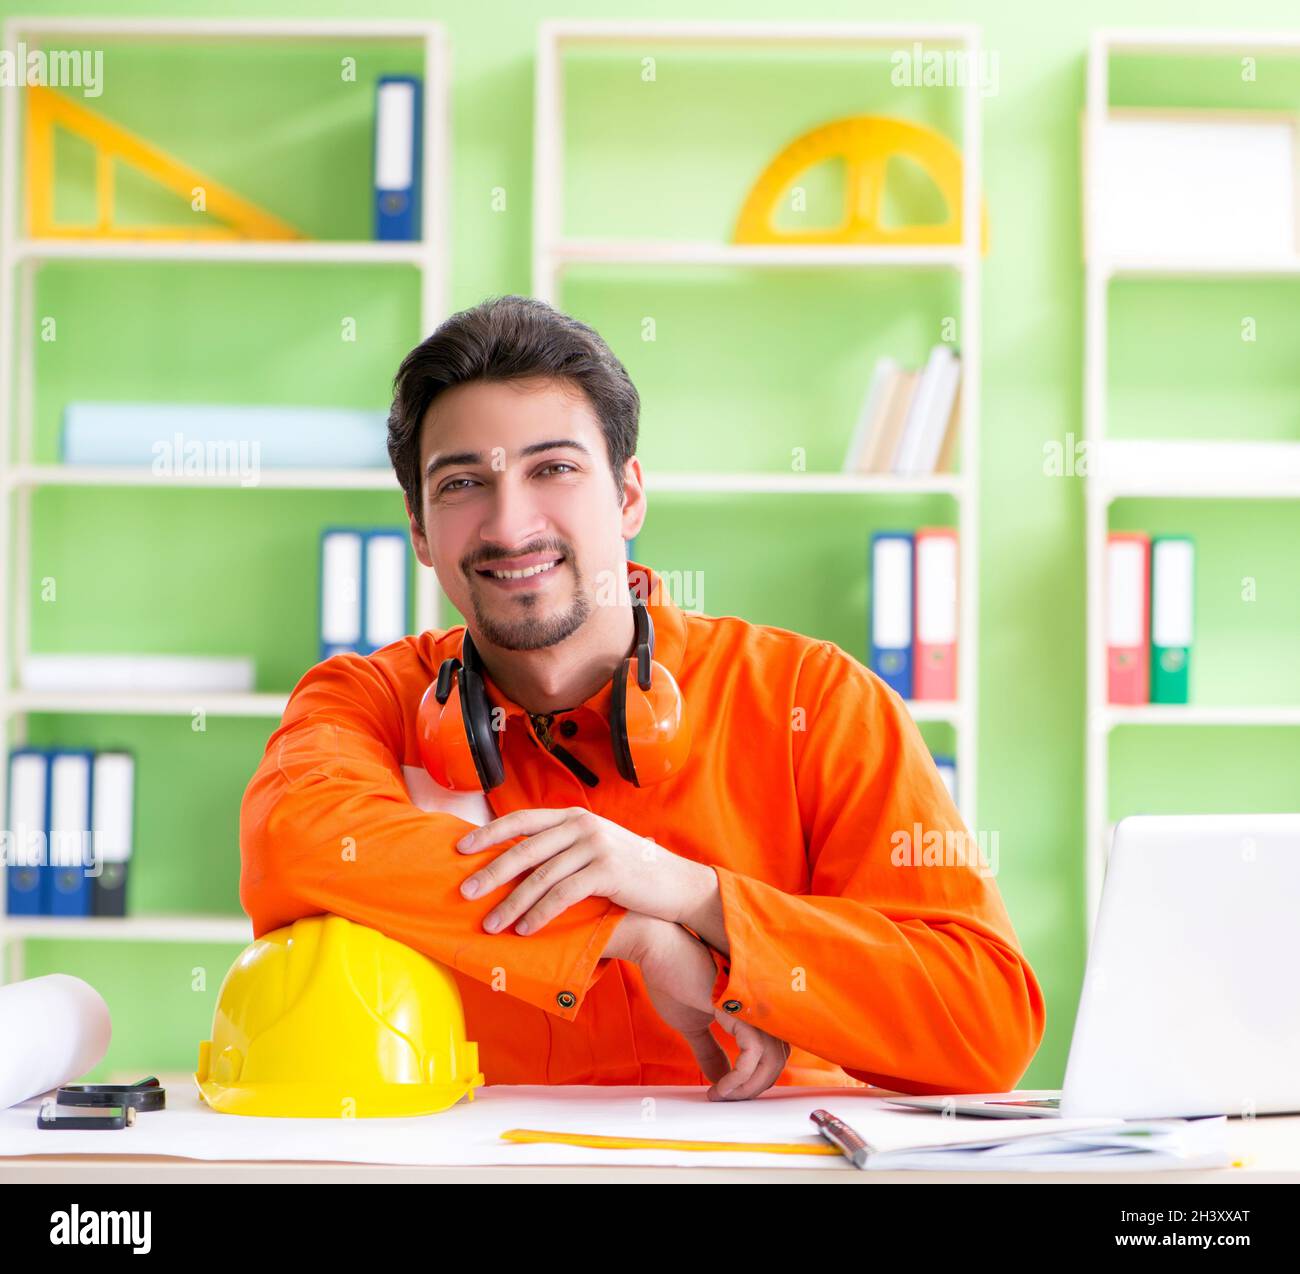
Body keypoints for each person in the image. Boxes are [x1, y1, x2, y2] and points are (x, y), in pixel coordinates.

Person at [239, 294, 1045, 1101]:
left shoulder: (817, 699)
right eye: (461, 484)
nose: (510, 525)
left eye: (552, 468)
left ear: (627, 496)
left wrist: (696, 897)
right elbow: (294, 841)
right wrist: (627, 932)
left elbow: (985, 1024)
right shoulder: (367, 701)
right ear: (418, 529)